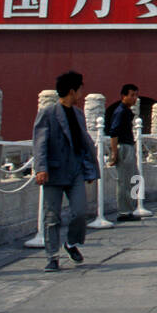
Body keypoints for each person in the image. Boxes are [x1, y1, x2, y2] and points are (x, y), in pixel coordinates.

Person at [32, 70, 100, 271]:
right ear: (72, 91)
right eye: (80, 89)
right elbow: (40, 143)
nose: (81, 93)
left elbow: (83, 143)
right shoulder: (48, 113)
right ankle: (52, 256)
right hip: (54, 171)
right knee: (52, 216)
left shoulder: (78, 114)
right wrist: (41, 168)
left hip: (75, 170)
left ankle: (71, 243)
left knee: (80, 211)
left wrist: (89, 170)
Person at [108, 83, 140, 221]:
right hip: (123, 147)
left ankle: (131, 208)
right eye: (132, 95)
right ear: (123, 96)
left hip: (128, 146)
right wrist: (114, 153)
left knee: (134, 178)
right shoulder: (120, 112)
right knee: (125, 181)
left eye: (136, 95)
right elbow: (113, 133)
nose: (134, 98)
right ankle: (124, 211)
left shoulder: (126, 111)